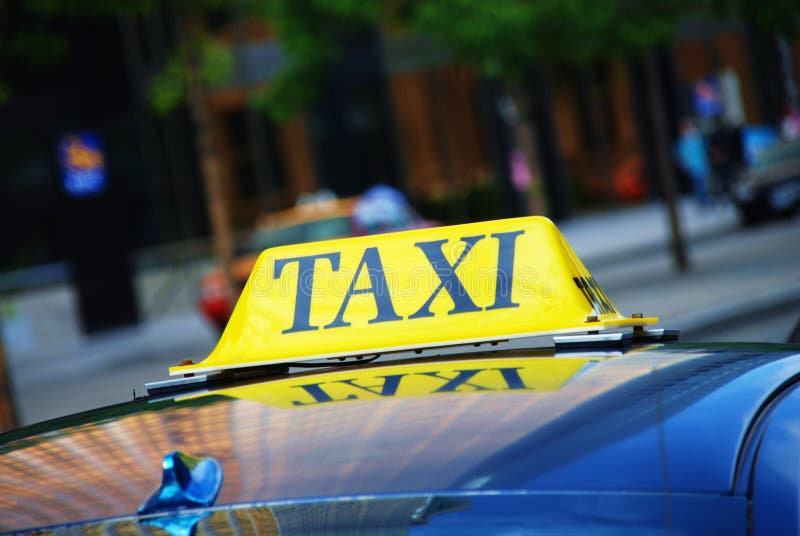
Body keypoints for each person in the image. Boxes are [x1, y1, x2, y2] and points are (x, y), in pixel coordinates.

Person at [675, 119, 711, 206]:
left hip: (701, 164)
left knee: (703, 183)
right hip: (693, 166)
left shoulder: (696, 137)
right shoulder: (683, 141)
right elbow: (680, 153)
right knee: (697, 184)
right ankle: (701, 201)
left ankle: (705, 200)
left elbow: (705, 148)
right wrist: (685, 163)